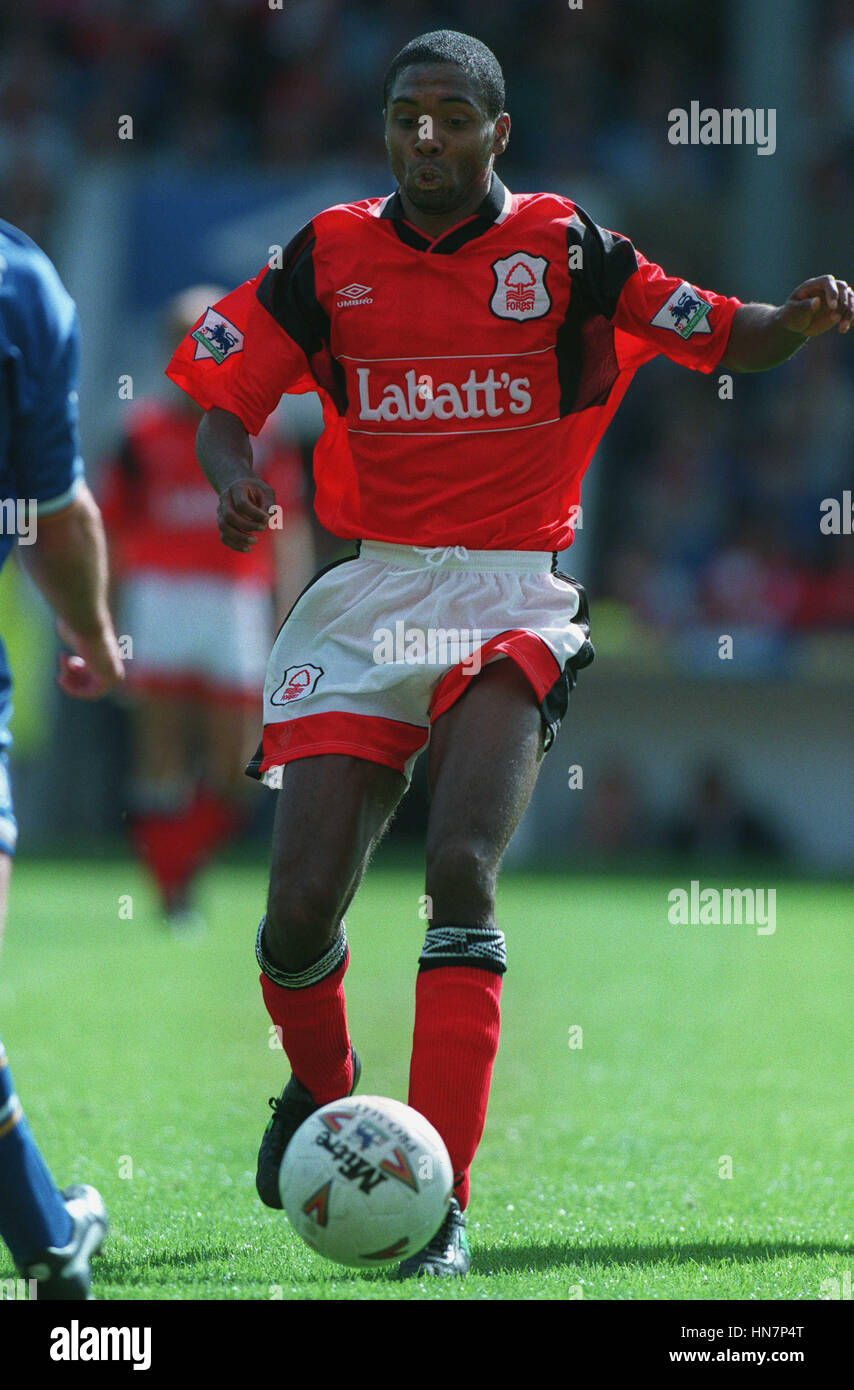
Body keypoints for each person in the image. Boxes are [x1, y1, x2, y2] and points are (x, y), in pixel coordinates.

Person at [165, 30, 852, 1277]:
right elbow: (224, 398)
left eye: (448, 116)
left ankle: (441, 1201)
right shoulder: (327, 254)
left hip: (508, 594)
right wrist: (230, 481)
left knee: (462, 869)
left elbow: (714, 327)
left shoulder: (569, 251)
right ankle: (320, 1088)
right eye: (403, 116)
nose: (423, 137)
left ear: (496, 132)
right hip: (366, 591)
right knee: (294, 916)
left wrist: (792, 325)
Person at [100, 286, 314, 930]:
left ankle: (179, 864)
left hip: (235, 598)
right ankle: (171, 891)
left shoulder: (263, 432)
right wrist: (105, 618)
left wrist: (290, 613)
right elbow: (112, 530)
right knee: (159, 755)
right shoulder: (141, 434)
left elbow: (289, 528)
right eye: (179, 338)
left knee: (238, 765)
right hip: (159, 596)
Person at [0, 219, 124, 1297]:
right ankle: (45, 1234)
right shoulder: (17, 280)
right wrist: (91, 633)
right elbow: (55, 510)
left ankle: (45, 1231)